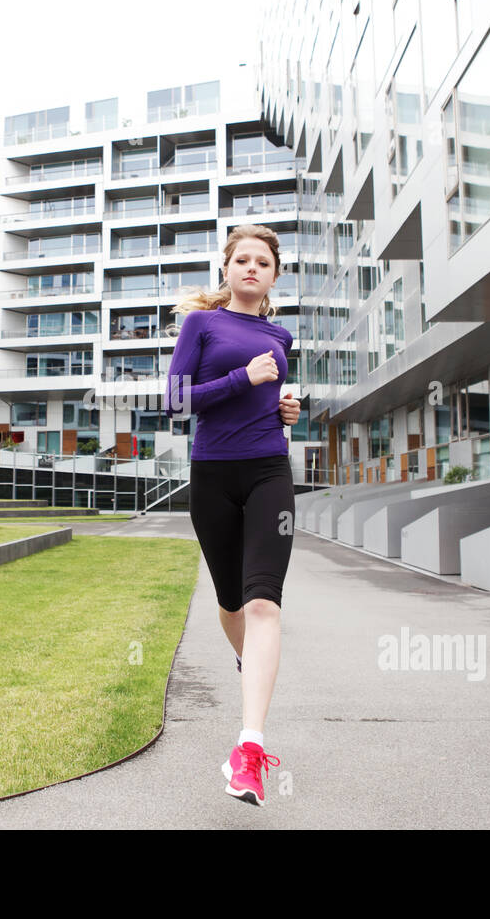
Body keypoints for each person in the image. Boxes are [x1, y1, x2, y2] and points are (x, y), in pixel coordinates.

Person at [164, 223, 300, 806]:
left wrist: (286, 408)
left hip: (270, 471)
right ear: (226, 268)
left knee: (264, 600)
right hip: (213, 476)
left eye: (262, 262)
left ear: (273, 275)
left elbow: (268, 402)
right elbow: (174, 400)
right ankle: (249, 660)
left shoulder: (282, 336)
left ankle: (249, 750)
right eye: (241, 259)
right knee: (231, 604)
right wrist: (242, 377)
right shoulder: (203, 324)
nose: (251, 268)